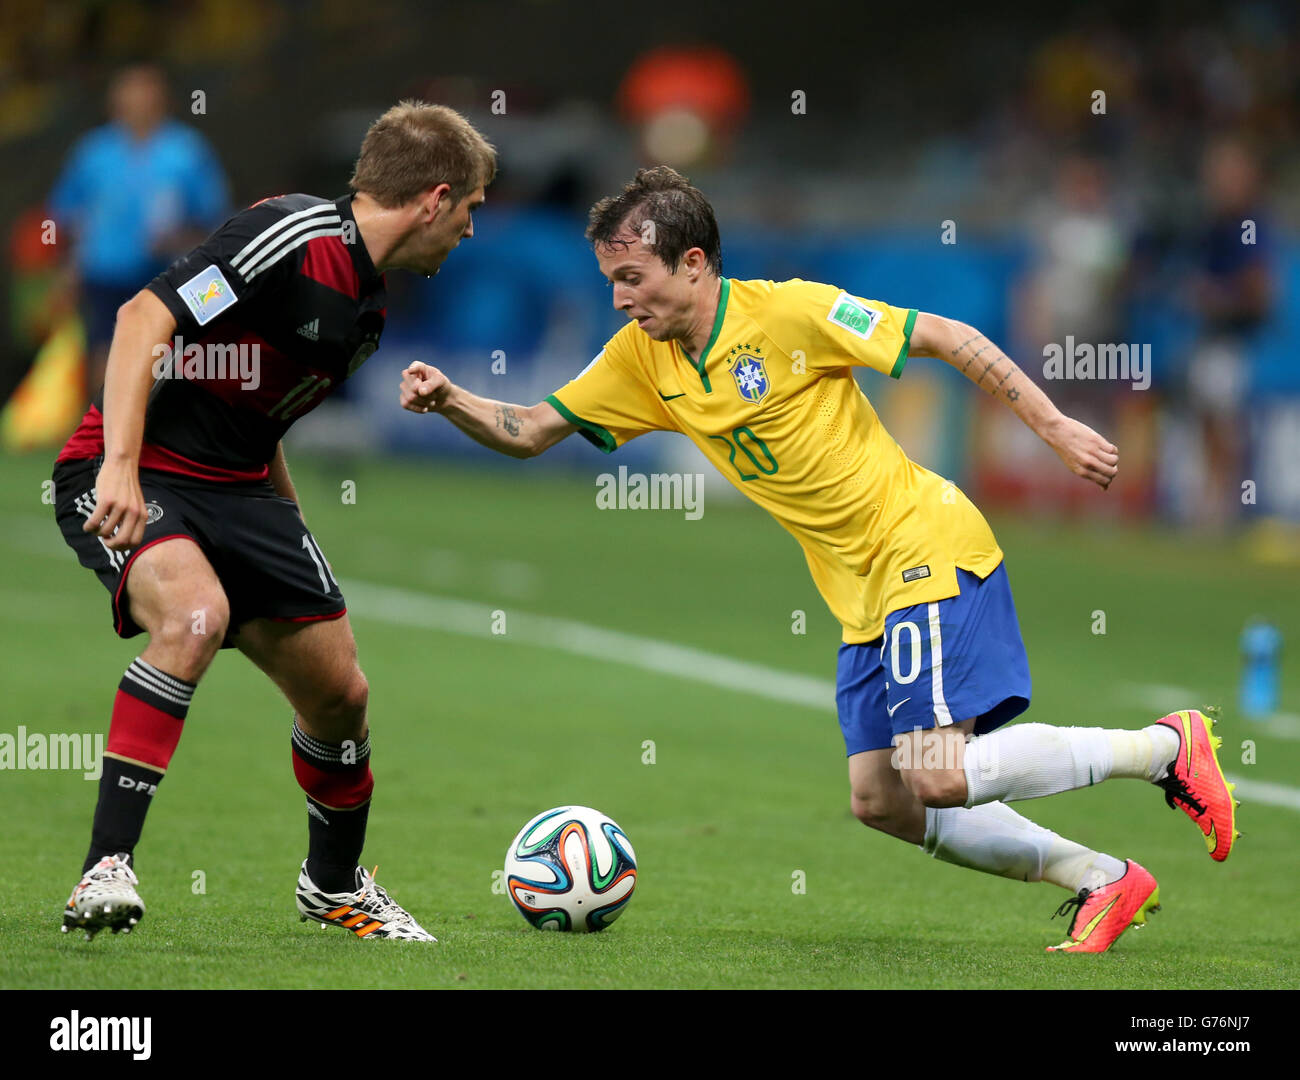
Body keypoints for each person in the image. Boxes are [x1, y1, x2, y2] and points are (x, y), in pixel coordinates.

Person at [400, 166, 1239, 953]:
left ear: (693, 264)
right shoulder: (640, 360)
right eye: (610, 282)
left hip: (923, 544)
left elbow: (942, 335)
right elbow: (531, 431)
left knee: (936, 777)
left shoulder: (791, 314)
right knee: (881, 799)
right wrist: (453, 402)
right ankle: (1102, 878)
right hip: (858, 592)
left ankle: (1164, 750)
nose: (619, 301)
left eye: (633, 278)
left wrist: (1052, 425)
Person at [54, 101, 495, 942]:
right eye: (470, 210)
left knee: (341, 695)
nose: (471, 231)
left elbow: (263, 422)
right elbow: (141, 318)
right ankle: (104, 869)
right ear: (435, 199)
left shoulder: (366, 310)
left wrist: (287, 535)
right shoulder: (290, 235)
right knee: (193, 616)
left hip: (242, 488)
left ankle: (334, 889)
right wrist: (116, 465)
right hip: (134, 469)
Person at [48, 64, 231, 400]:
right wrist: (69, 270)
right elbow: (67, 213)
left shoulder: (186, 151)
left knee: (163, 354)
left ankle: (157, 433)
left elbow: (212, 215)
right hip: (104, 271)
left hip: (165, 271)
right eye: (129, 92)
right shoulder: (94, 152)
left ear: (162, 99)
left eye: (146, 92)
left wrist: (178, 239)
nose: (138, 101)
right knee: (104, 349)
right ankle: (104, 433)